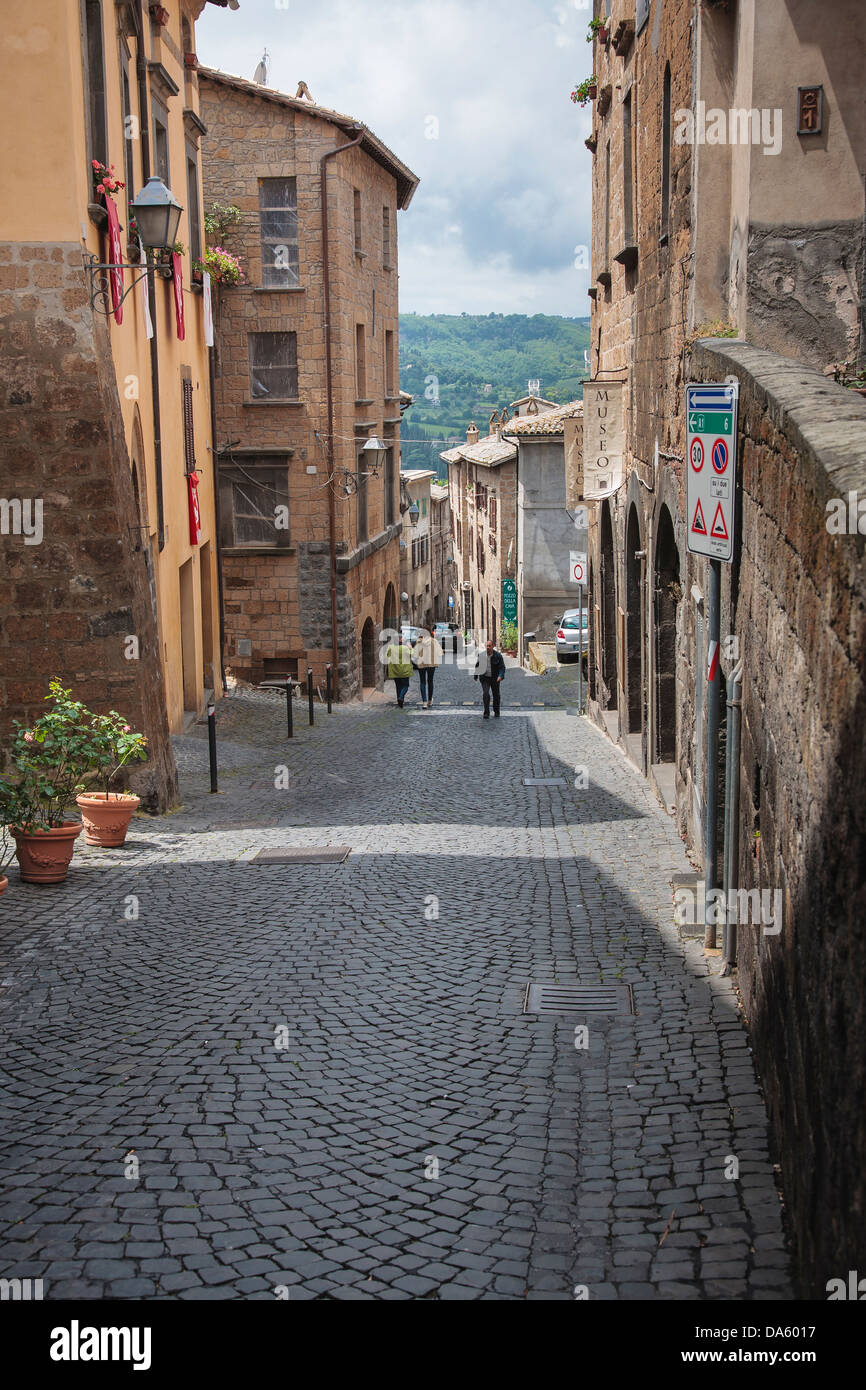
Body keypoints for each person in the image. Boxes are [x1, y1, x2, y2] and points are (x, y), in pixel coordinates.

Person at [412, 624, 444, 708]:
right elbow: (440, 653)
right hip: (431, 664)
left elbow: (414, 655)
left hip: (421, 664)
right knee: (430, 682)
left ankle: (424, 702)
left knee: (422, 682)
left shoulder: (419, 641)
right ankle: (430, 700)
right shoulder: (434, 641)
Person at [474, 638, 506, 718]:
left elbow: (502, 667)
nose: (488, 647)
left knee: (496, 695)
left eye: (489, 646)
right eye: (487, 646)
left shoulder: (498, 656)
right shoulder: (481, 655)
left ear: (493, 646)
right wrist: (476, 675)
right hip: (485, 678)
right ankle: (486, 712)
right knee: (485, 694)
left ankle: (496, 711)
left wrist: (500, 676)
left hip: (495, 678)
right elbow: (477, 665)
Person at [384, 634, 414, 707]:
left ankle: (399, 701)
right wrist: (410, 647)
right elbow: (413, 654)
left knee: (398, 686)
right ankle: (401, 698)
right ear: (401, 640)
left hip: (395, 670)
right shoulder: (406, 648)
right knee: (406, 685)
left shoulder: (391, 647)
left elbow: (386, 656)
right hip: (405, 670)